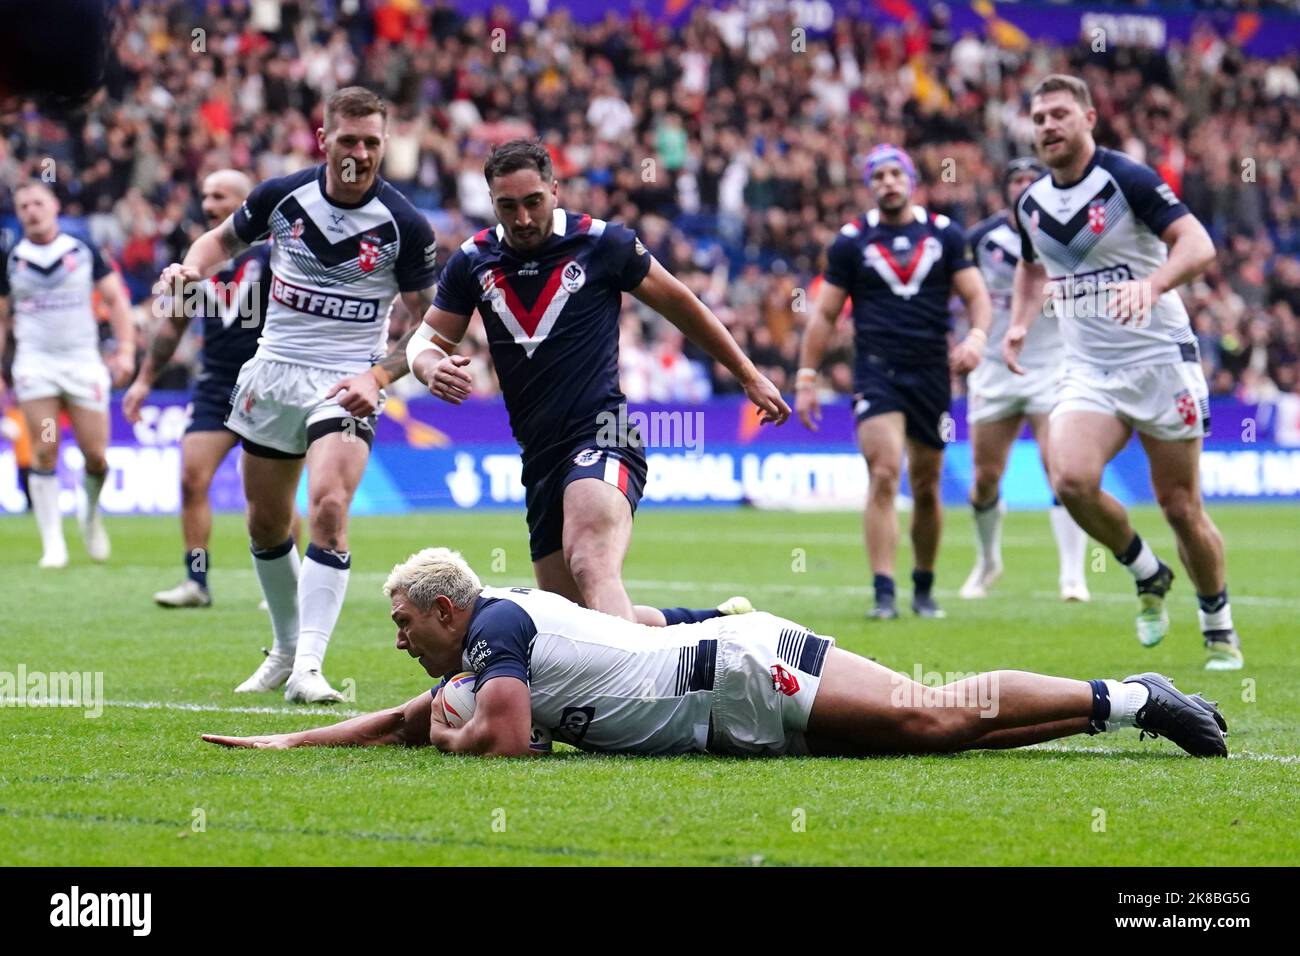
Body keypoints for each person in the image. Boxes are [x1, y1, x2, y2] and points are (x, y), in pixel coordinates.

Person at [201, 547, 1229, 759]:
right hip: (723, 679)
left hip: (734, 672)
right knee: (940, 731)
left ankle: (1132, 692)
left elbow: (508, 746)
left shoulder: (497, 626)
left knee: (931, 710)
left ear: (442, 607)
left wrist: (456, 730)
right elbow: (398, 718)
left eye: (400, 621)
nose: (395, 639)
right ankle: (1130, 700)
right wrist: (290, 741)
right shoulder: (483, 651)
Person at [406, 139, 788, 623]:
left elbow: (682, 305)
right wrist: (429, 367)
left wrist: (749, 376)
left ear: (555, 190)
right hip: (539, 454)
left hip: (605, 433)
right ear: (491, 201)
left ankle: (641, 694)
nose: (522, 218)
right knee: (575, 622)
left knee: (590, 561)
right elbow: (424, 343)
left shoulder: (603, 244)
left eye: (533, 202)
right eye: (507, 206)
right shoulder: (472, 261)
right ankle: (711, 622)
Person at [156, 87, 439, 702]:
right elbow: (216, 243)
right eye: (348, 140)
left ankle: (309, 666)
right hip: (275, 372)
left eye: (371, 142)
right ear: (323, 140)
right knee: (264, 524)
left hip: (348, 378)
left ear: (384, 145)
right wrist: (188, 269)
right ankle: (284, 651)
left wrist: (380, 376)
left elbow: (430, 321)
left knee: (330, 509)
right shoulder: (281, 196)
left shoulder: (406, 227)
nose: (359, 153)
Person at [1003, 74, 1242, 670]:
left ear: (1088, 118)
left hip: (1160, 360)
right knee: (1071, 480)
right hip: (1089, 369)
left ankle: (1218, 624)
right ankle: (1147, 572)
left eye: (1059, 114)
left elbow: (1198, 243)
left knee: (1181, 507)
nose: (1048, 126)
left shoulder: (1126, 179)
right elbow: (1032, 269)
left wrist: (1153, 283)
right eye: (1039, 118)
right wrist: (1017, 322)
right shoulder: (1030, 202)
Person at [795, 145, 992, 620]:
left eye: (895, 173)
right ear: (869, 185)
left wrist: (979, 337)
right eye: (878, 175)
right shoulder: (850, 242)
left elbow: (976, 295)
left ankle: (923, 588)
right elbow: (824, 313)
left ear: (910, 180)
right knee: (884, 473)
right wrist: (805, 376)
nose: (888, 182)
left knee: (926, 484)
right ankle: (883, 592)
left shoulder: (946, 235)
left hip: (932, 372)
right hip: (877, 371)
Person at [125, 169, 298, 608]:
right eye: (204, 195)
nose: (207, 203)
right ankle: (196, 582)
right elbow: (174, 326)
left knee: (269, 495)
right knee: (191, 477)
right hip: (216, 384)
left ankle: (284, 583)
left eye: (219, 196)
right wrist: (145, 380)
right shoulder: (196, 262)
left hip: (267, 383)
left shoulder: (280, 256)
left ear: (244, 202)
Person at [960, 157, 1090, 602]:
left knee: (1062, 471)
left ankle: (1073, 576)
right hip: (994, 369)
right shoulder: (978, 239)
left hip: (1052, 366)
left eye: (1030, 180)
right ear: (1003, 191)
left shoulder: (1067, 239)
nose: (1022, 187)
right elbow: (956, 292)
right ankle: (987, 560)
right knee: (985, 478)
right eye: (1013, 180)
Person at [0, 181, 135, 567]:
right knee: (45, 448)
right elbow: (2, 318)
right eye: (23, 204)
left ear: (54, 206)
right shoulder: (10, 257)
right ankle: (53, 543)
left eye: (38, 202)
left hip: (82, 363)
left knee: (96, 456)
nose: (31, 210)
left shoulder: (82, 248)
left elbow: (117, 300)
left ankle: (89, 515)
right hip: (35, 364)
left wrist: (125, 350)